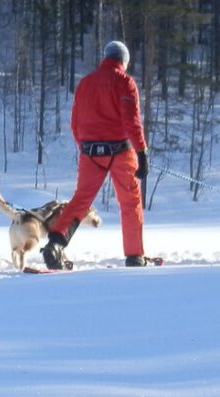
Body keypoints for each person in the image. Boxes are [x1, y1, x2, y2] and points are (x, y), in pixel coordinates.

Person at [42, 39, 154, 269]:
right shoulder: (125, 82)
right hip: (121, 152)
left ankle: (55, 244)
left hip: (90, 152)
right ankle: (134, 256)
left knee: (80, 201)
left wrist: (86, 148)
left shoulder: (85, 84)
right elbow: (132, 122)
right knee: (130, 203)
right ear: (124, 61)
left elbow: (75, 124)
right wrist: (142, 153)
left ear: (105, 57)